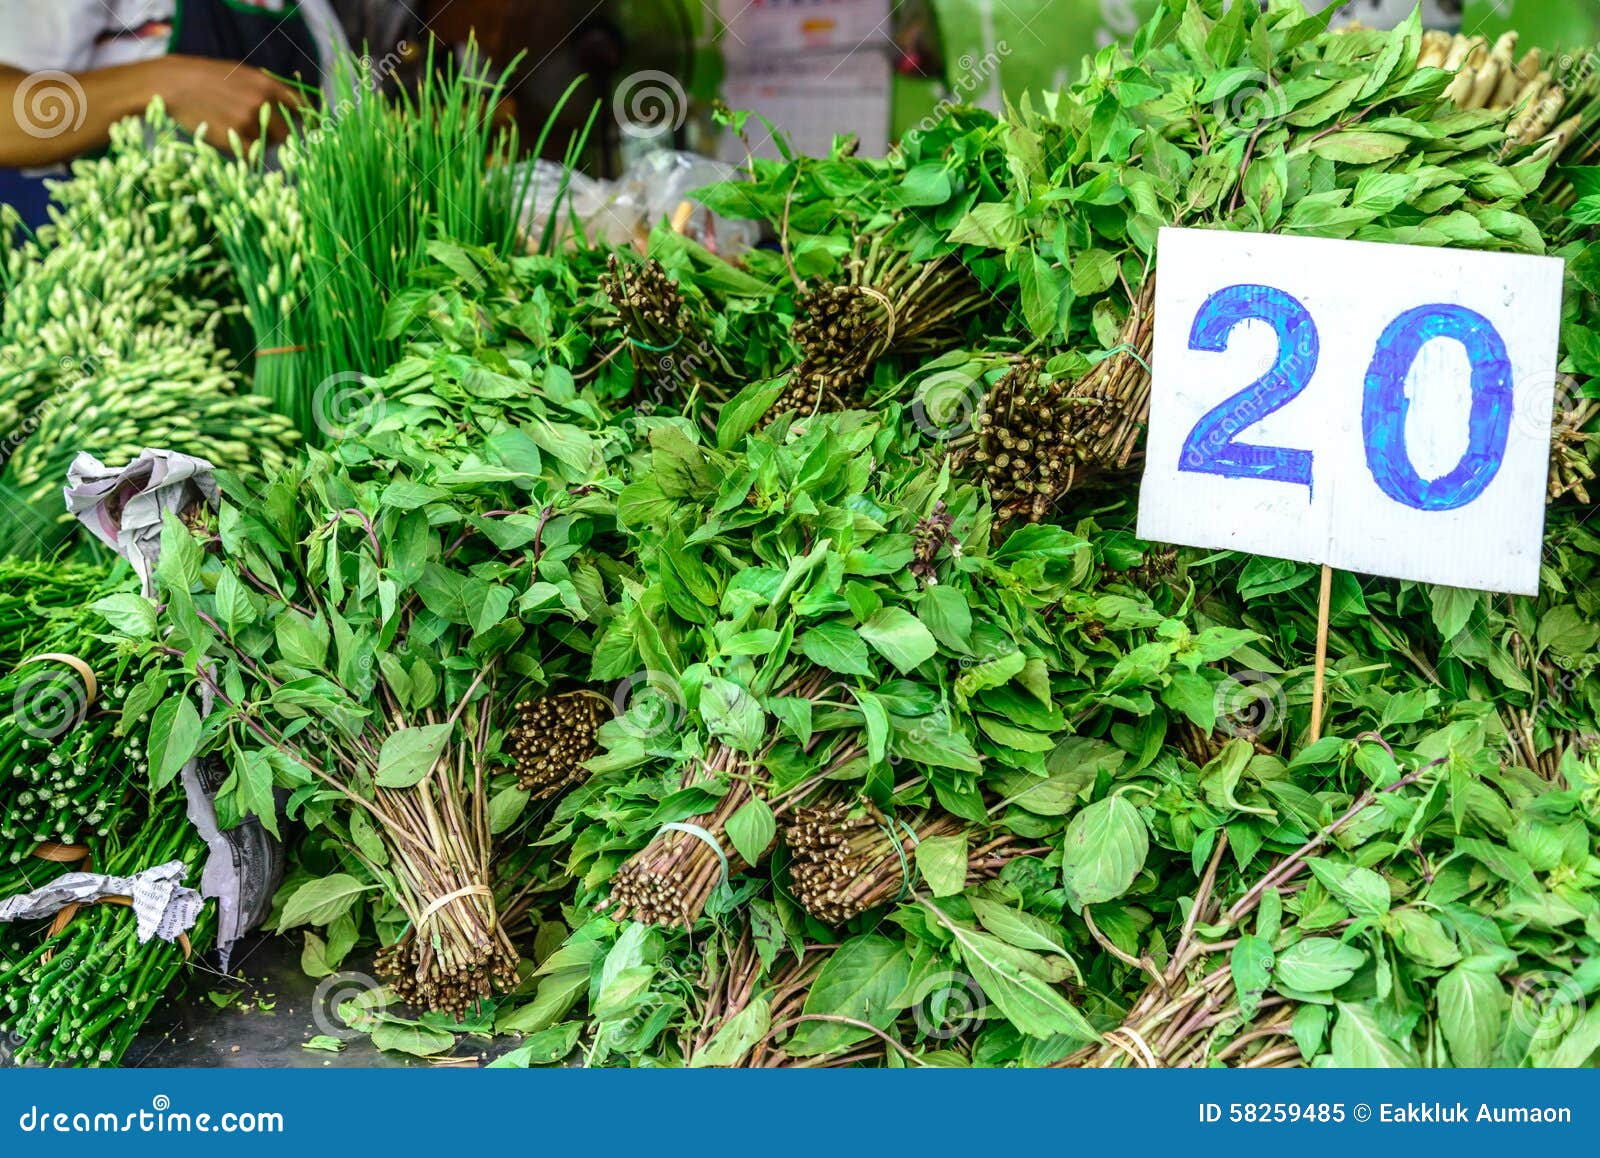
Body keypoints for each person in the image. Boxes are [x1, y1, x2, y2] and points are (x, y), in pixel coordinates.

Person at [0, 1, 351, 229]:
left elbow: (355, 147)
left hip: (276, 306)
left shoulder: (312, 13)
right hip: (125, 297)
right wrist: (167, 85)